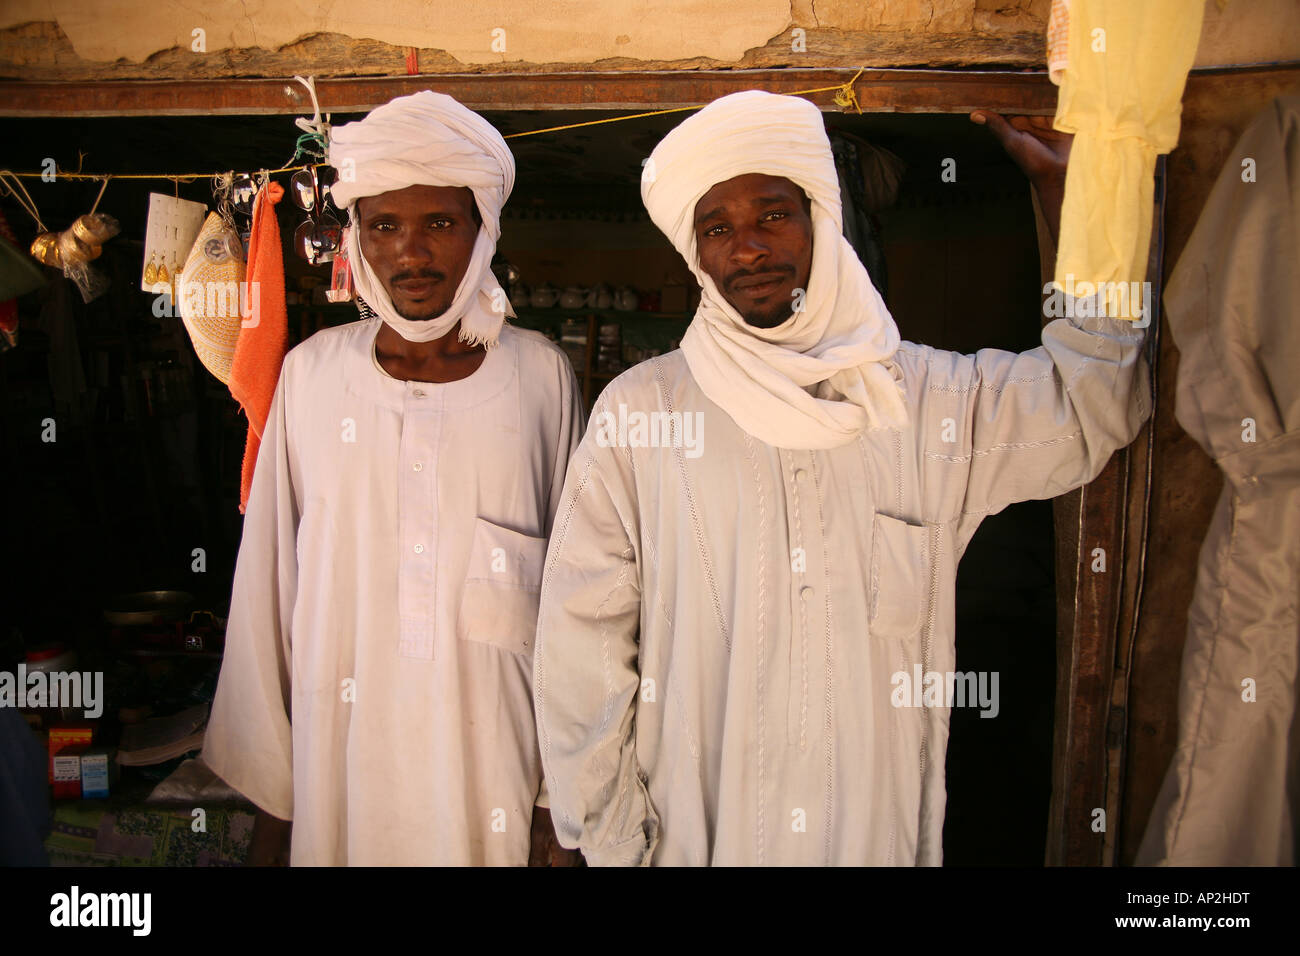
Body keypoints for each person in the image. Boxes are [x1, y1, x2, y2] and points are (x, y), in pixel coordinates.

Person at [533, 90, 1150, 865]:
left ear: (822, 218)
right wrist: (612, 838)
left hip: (868, 833)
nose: (748, 248)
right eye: (717, 228)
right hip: (692, 837)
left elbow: (1092, 407)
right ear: (696, 254)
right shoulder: (643, 413)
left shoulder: (925, 400)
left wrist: (1076, 205)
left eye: (772, 215)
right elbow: (579, 640)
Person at [203, 91, 584, 866]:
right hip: (338, 758)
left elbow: (578, 597)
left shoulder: (540, 378)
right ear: (357, 238)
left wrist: (559, 796)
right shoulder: (311, 379)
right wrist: (277, 803)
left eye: (440, 223)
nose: (412, 254)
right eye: (384, 226)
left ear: (482, 232)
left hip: (496, 770)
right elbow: (267, 590)